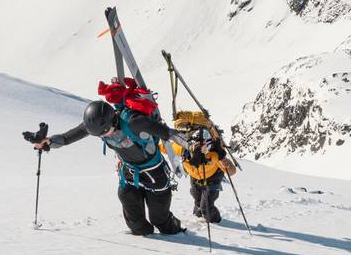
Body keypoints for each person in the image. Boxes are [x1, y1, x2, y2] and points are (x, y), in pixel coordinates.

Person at [29, 97, 185, 237]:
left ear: (112, 120)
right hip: (129, 174)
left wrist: (192, 143)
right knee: (136, 224)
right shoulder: (95, 125)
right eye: (99, 135)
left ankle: (178, 231)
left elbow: (169, 133)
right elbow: (66, 138)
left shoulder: (134, 123)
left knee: (161, 221)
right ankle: (145, 238)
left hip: (155, 176)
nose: (104, 136)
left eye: (104, 133)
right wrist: (48, 142)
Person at [171, 123, 237, 223]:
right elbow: (164, 146)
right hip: (195, 179)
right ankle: (199, 213)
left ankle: (215, 220)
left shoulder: (214, 155)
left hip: (212, 179)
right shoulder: (182, 149)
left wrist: (227, 164)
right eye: (199, 145)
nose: (203, 149)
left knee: (206, 209)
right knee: (198, 205)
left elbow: (231, 172)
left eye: (206, 145)